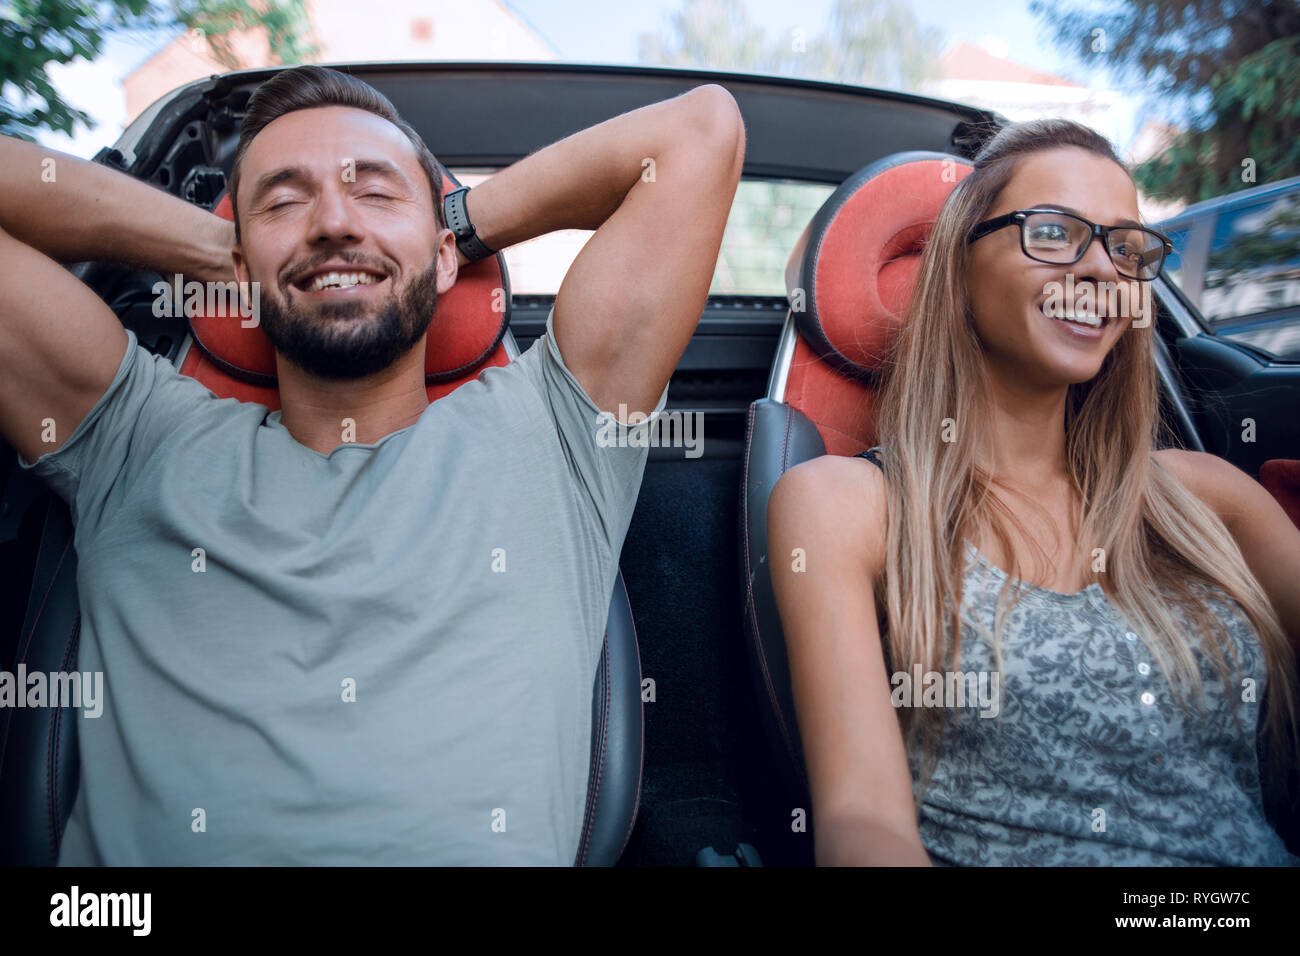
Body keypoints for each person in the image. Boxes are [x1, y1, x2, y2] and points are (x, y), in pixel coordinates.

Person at [0, 65, 744, 864]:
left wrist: (448, 223)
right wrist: (222, 247)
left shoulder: (556, 433)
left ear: (448, 258)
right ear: (242, 268)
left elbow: (699, 131)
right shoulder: (133, 438)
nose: (332, 223)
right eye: (286, 201)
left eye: (376, 193)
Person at [767, 118, 1300, 866]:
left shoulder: (1206, 496)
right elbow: (863, 827)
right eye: (1052, 233)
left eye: (1126, 248)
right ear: (959, 264)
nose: (1103, 273)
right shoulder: (846, 505)